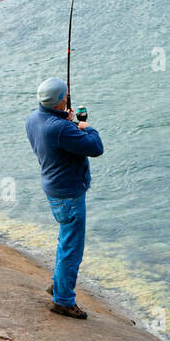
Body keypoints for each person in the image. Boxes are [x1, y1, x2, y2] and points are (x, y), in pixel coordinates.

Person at [26, 77, 104, 318]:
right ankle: (63, 300)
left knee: (65, 239)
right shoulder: (60, 128)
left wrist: (65, 120)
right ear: (61, 101)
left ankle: (58, 284)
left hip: (54, 188)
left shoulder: (34, 119)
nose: (68, 98)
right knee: (72, 247)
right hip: (69, 194)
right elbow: (95, 148)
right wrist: (84, 127)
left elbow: (56, 134)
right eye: (66, 96)